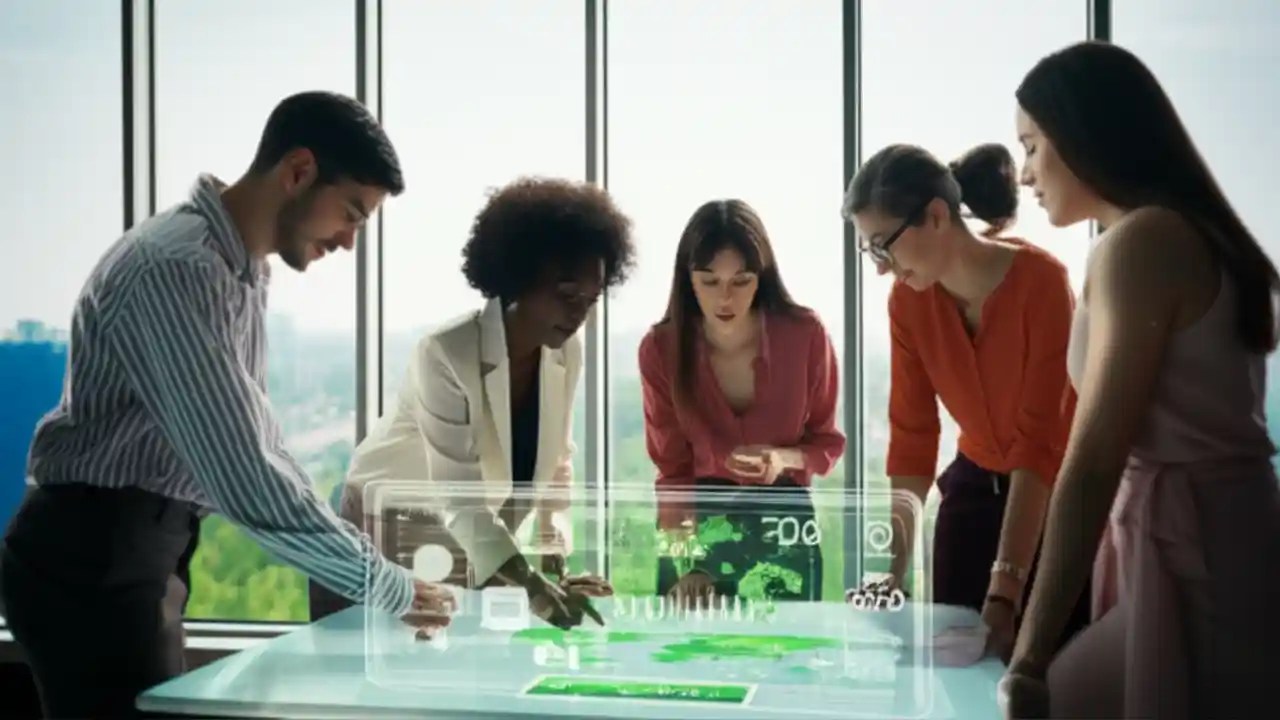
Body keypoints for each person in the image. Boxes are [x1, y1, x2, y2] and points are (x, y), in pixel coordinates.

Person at [0, 91, 456, 719]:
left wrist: (372, 569)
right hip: (92, 559)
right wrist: (385, 584)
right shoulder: (177, 266)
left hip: (136, 550)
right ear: (298, 172)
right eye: (351, 212)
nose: (350, 242)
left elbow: (260, 442)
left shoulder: (239, 269)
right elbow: (246, 473)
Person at [1001, 41, 1280, 720]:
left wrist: (1030, 661)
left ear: (1085, 133)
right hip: (1219, 538)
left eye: (1033, 145)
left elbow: (1094, 459)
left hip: (1197, 554)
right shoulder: (1191, 235)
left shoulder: (1139, 245)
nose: (1024, 174)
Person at [316, 177, 636, 628]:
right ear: (520, 278)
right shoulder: (446, 352)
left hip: (461, 545)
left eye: (591, 297)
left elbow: (556, 465)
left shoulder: (566, 351)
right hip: (380, 536)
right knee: (370, 684)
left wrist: (553, 564)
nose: (579, 312)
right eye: (567, 294)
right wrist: (528, 584)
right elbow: (460, 498)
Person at [842, 142, 1089, 662]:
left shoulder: (1043, 284)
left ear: (935, 216)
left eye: (883, 246)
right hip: (971, 498)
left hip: (1055, 505)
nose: (882, 268)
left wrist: (1006, 590)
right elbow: (912, 436)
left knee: (1050, 678)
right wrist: (893, 572)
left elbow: (1039, 444)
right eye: (871, 252)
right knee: (954, 681)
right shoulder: (908, 302)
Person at [639, 199, 845, 608]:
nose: (725, 298)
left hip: (783, 528)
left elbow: (826, 445)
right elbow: (672, 472)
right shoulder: (660, 349)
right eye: (709, 281)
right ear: (688, 280)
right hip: (695, 525)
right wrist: (685, 564)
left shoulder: (804, 334)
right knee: (689, 662)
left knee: (787, 663)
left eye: (741, 280)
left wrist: (782, 460)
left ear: (762, 277)